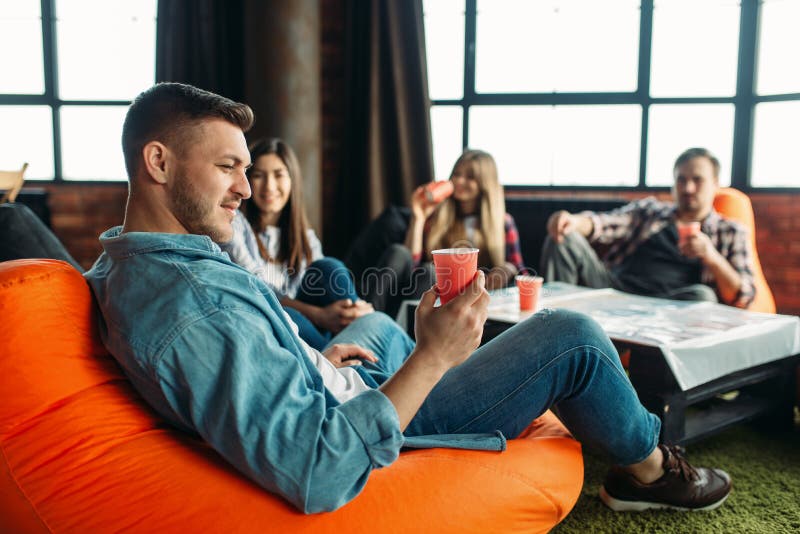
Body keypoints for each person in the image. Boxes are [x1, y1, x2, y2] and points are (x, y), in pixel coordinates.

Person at [85, 83, 732, 515]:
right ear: (159, 163)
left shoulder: (126, 263)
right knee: (574, 336)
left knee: (373, 323)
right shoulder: (191, 306)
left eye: (246, 170)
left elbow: (247, 364)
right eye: (228, 167)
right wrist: (432, 357)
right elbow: (318, 470)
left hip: (337, 384)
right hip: (369, 422)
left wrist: (315, 364)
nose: (245, 189)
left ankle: (406, 351)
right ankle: (646, 470)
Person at [540, 147, 755, 307]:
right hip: (616, 291)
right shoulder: (650, 212)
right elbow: (605, 223)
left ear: (716, 184)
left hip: (670, 307)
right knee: (563, 237)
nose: (688, 188)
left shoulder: (730, 231)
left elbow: (743, 294)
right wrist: (575, 222)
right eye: (681, 180)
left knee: (704, 297)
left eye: (697, 180)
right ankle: (554, 328)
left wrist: (711, 257)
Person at [220, 137, 373, 350]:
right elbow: (256, 288)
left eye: (279, 175)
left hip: (314, 326)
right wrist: (319, 316)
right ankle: (354, 355)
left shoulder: (304, 236)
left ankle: (361, 330)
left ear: (292, 180)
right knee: (287, 315)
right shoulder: (235, 223)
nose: (269, 186)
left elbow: (326, 287)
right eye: (258, 176)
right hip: (273, 320)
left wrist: (355, 309)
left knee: (329, 268)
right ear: (247, 181)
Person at [363, 149, 525, 317]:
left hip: (469, 301)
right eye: (456, 174)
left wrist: (509, 268)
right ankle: (367, 317)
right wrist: (418, 219)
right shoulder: (437, 216)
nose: (459, 181)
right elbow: (411, 264)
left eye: (470, 177)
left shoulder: (503, 222)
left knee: (429, 272)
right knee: (403, 255)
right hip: (427, 292)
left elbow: (524, 275)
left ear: (484, 183)